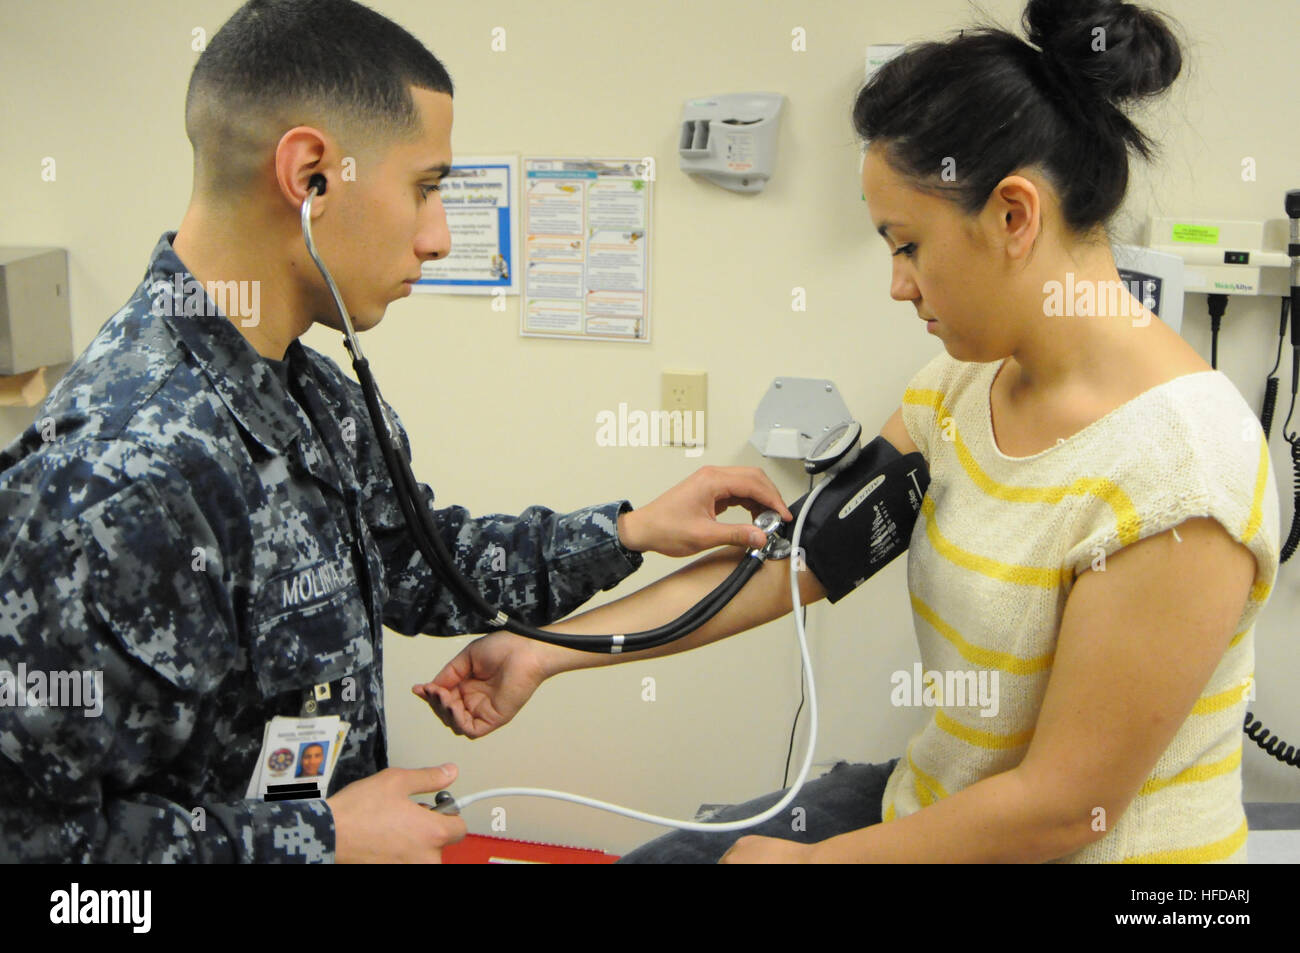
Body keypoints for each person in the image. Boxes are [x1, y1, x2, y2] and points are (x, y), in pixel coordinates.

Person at [421, 0, 1281, 863]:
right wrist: (547, 651)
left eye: (905, 244)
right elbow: (805, 556)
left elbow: (1065, 810)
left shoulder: (1179, 469)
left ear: (1015, 216)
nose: (897, 286)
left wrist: (809, 864)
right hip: (935, 801)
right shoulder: (961, 389)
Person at [0, 0, 791, 864]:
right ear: (309, 176)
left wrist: (630, 529)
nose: (441, 237)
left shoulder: (311, 396)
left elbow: (420, 561)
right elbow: (40, 851)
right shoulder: (118, 475)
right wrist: (322, 840)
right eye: (427, 186)